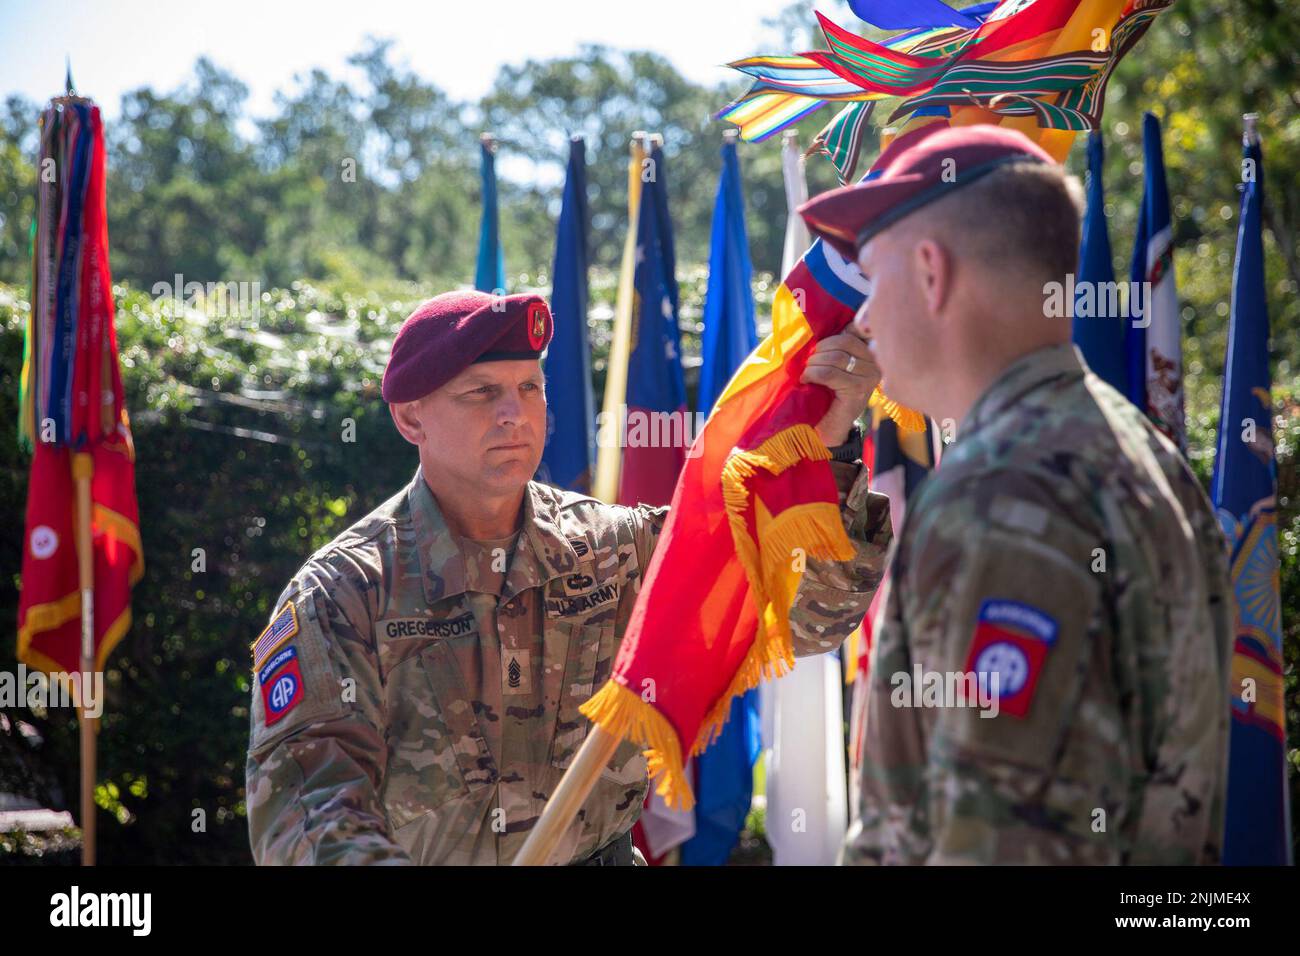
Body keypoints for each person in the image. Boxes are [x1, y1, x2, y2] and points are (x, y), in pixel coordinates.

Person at [245, 288, 892, 864]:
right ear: (411, 418)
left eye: (530, 387)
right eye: (482, 392)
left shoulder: (619, 547)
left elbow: (810, 620)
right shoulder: (344, 593)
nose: (514, 414)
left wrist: (827, 446)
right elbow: (306, 809)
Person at [799, 123, 1233, 865]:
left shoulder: (1001, 492)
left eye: (875, 276)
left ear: (931, 273)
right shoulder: (1143, 452)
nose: (864, 317)